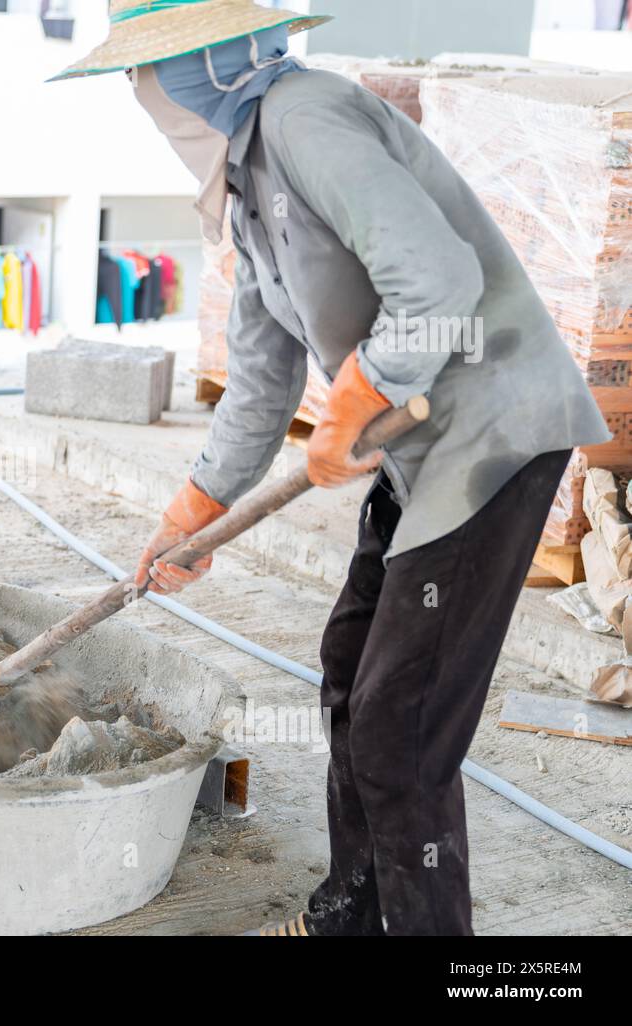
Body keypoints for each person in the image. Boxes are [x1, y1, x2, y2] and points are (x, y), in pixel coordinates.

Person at [54, 0, 610, 936]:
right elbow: (262, 380)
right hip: (420, 455)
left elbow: (439, 280)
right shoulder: (245, 181)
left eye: (146, 68)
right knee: (351, 677)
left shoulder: (305, 118)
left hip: (490, 439)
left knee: (402, 730)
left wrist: (357, 398)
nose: (141, 91)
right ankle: (349, 917)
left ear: (207, 61)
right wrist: (194, 509)